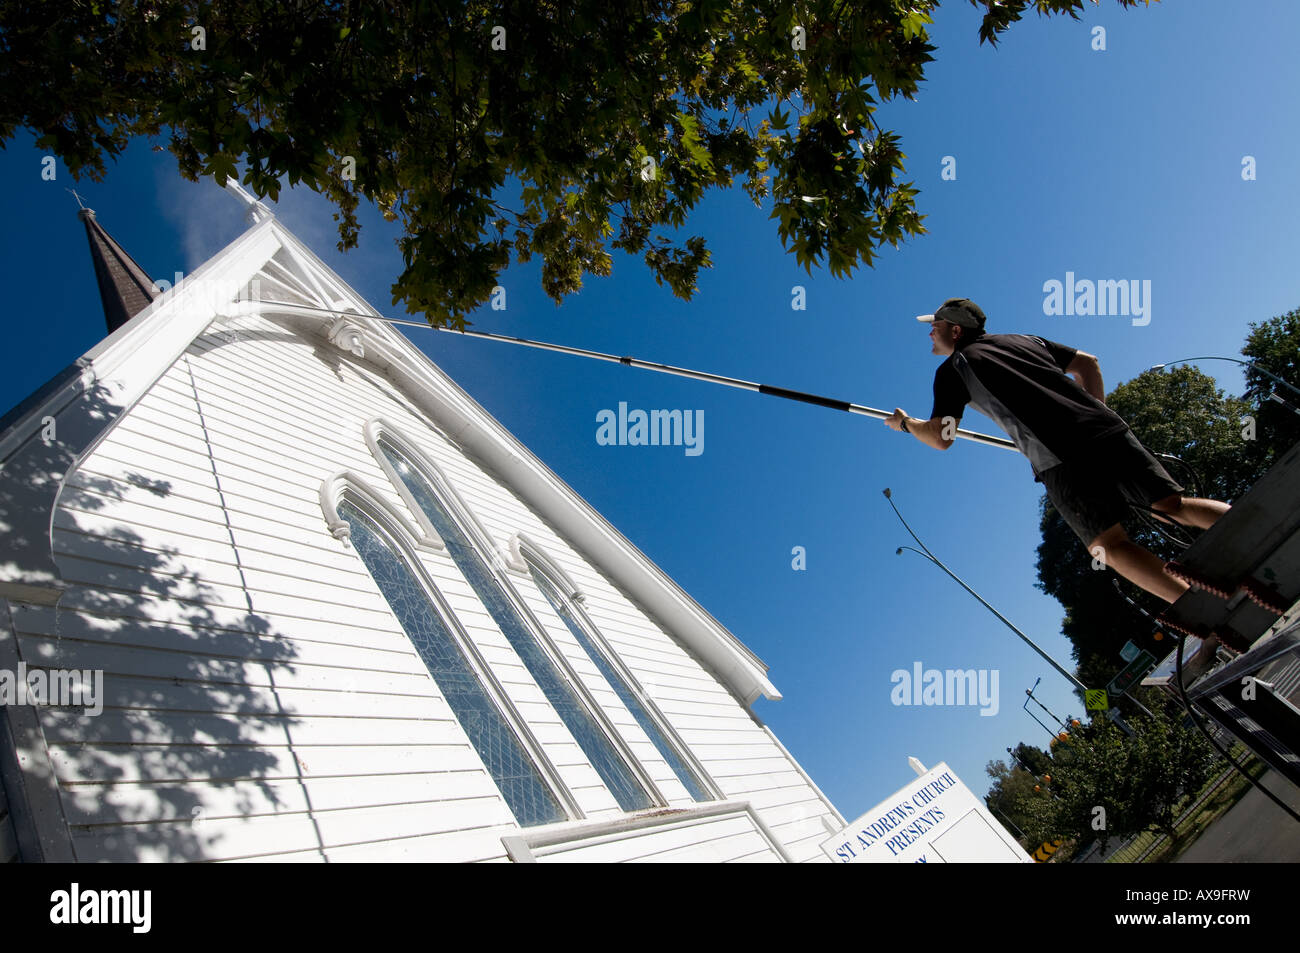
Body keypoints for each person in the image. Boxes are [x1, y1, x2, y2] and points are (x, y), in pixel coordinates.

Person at [883, 297, 1230, 603]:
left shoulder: (953, 370)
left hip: (1060, 459)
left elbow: (941, 437)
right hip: (1106, 429)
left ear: (956, 331)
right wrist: (1094, 412)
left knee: (1108, 545)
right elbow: (1088, 363)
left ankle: (1202, 613)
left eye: (936, 326)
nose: (930, 333)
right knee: (1171, 505)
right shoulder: (1024, 339)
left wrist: (905, 423)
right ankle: (1259, 526)